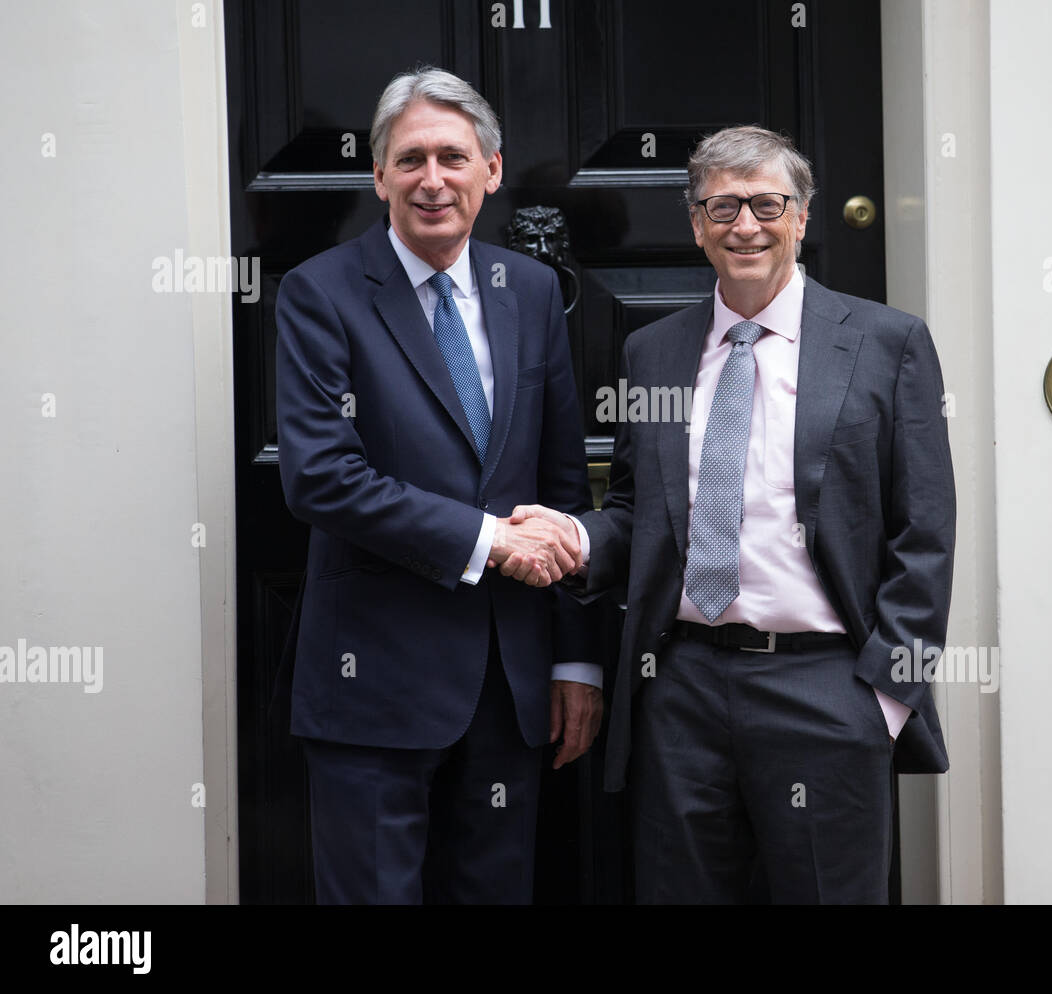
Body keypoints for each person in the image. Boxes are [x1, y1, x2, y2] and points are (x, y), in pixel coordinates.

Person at [504, 125, 956, 903]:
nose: (745, 224)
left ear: (803, 216)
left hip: (827, 686)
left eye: (765, 204)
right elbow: (642, 514)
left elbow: (926, 534)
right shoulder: (654, 352)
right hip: (680, 689)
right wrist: (576, 536)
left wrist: (881, 700)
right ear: (695, 223)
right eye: (722, 207)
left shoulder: (887, 343)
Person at [274, 66, 600, 904]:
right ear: (378, 176)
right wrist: (492, 541)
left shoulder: (529, 290)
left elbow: (563, 479)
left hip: (512, 683)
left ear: (492, 170)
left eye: (453, 157)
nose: (432, 180)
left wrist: (574, 658)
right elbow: (322, 480)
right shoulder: (320, 293)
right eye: (410, 158)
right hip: (371, 686)